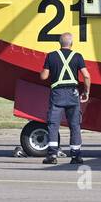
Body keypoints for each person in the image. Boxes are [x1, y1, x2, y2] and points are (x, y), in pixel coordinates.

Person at [39, 32, 89, 164]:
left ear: (59, 43)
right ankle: (76, 155)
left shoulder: (51, 56)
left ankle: (52, 155)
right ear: (71, 44)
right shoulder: (77, 56)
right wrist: (86, 92)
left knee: (53, 125)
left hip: (57, 94)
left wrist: (45, 70)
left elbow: (44, 76)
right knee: (75, 125)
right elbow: (86, 76)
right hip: (73, 94)